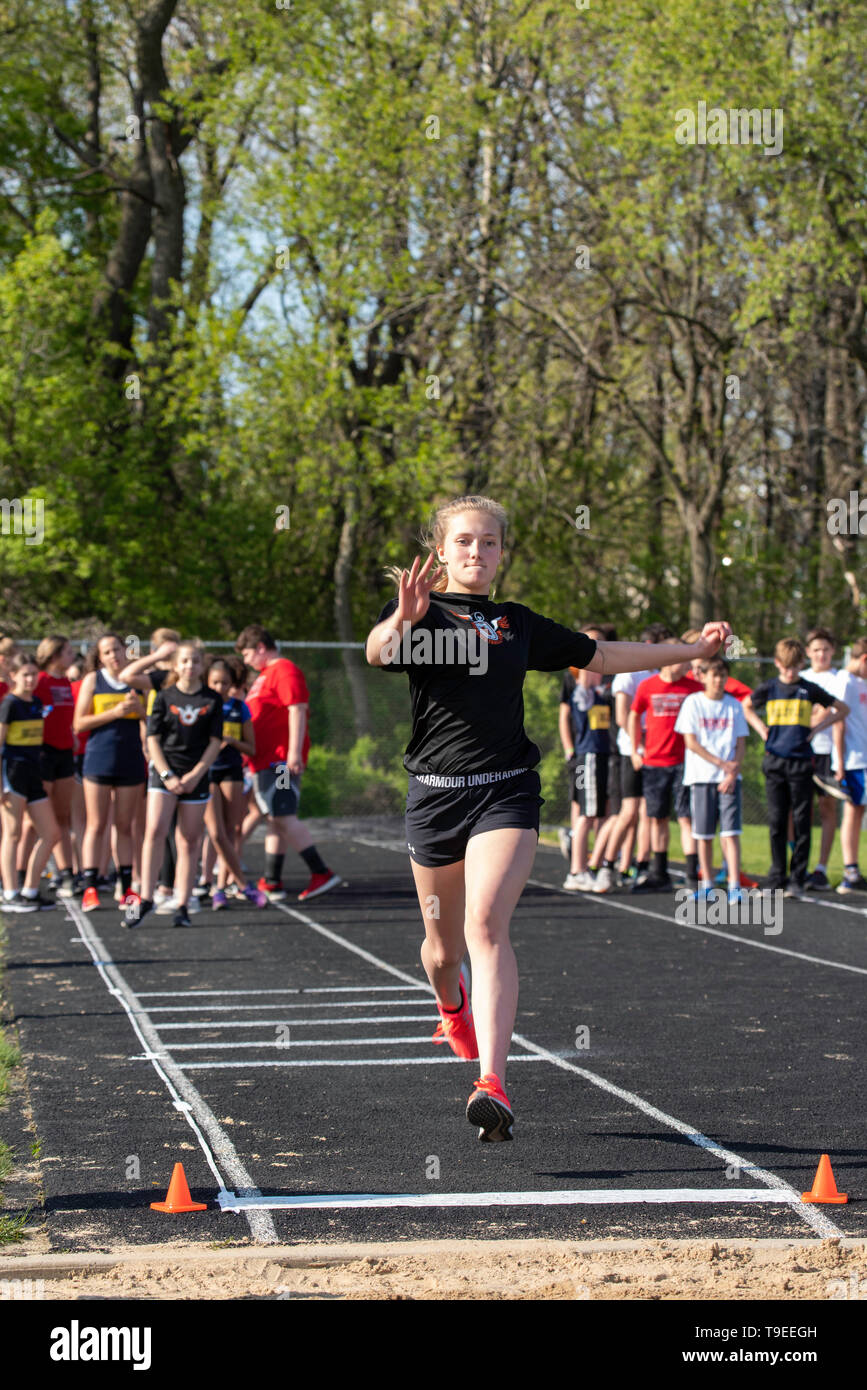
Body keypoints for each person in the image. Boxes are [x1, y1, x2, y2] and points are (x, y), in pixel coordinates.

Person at [366, 494, 731, 1141]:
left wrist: (688, 646)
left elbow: (602, 656)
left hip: (504, 791)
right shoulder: (420, 616)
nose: (476, 552)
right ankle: (450, 1006)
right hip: (433, 798)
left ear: (502, 552)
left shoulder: (516, 624)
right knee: (442, 950)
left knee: (485, 924)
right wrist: (401, 618)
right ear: (442, 549)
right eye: (463, 542)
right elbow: (377, 652)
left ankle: (492, 1082)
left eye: (489, 543)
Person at [234, 625, 340, 903]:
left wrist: (292, 753)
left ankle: (321, 873)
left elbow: (297, 708)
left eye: (247, 653)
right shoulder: (266, 675)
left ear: (259, 647)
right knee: (275, 820)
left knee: (282, 815)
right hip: (266, 762)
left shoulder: (283, 670)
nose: (246, 661)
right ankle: (271, 880)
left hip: (280, 762)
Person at [124, 642, 223, 928]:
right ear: (176, 665)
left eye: (194, 661)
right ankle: (145, 898)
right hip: (165, 772)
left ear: (201, 665)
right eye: (184, 661)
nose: (189, 666)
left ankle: (182, 903)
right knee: (154, 831)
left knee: (189, 840)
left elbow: (216, 742)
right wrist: (167, 774)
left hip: (196, 774)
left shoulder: (213, 699)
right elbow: (153, 738)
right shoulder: (164, 696)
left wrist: (195, 774)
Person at [743, 638, 848, 897]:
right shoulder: (769, 688)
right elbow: (745, 706)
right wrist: (762, 729)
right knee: (778, 821)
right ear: (778, 664)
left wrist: (817, 728)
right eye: (785, 667)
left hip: (801, 763)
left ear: (802, 664)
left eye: (795, 667)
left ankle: (797, 879)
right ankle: (777, 876)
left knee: (802, 821)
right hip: (775, 762)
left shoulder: (810, 689)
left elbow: (842, 709)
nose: (790, 672)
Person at [73, 634, 147, 911]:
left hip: (130, 760)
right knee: (96, 824)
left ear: (125, 651)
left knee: (125, 826)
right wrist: (115, 712)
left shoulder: (137, 680)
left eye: (117, 649)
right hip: (99, 760)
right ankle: (90, 886)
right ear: (100, 657)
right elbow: (79, 723)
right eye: (107, 652)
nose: (113, 655)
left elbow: (153, 722)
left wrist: (140, 711)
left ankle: (126, 887)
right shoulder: (94, 680)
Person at [675, 657, 749, 901]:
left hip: (729, 780)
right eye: (714, 676)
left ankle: (734, 885)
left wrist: (732, 772)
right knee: (704, 835)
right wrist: (720, 764)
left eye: (722, 676)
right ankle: (706, 883)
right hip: (701, 777)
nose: (718, 681)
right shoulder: (693, 703)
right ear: (703, 677)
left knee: (731, 833)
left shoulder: (734, 706)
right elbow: (691, 743)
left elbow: (740, 743)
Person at [627, 643, 698, 891]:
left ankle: (692, 876)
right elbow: (634, 714)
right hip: (655, 762)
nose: (689, 664)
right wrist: (636, 749)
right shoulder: (648, 686)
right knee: (658, 819)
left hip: (685, 764)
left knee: (687, 818)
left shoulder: (694, 688)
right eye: (683, 659)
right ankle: (659, 873)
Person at [199, 656, 266, 910]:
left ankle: (220, 888)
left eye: (224, 683)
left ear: (231, 684)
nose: (219, 687)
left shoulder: (240, 708)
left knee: (231, 832)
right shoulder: (201, 706)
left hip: (231, 772)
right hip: (206, 773)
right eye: (214, 682)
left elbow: (251, 747)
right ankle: (242, 883)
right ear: (207, 682)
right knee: (215, 833)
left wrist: (230, 739)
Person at [0, 652, 60, 912]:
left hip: (34, 775)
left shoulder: (36, 702)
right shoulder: (9, 704)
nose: (30, 679)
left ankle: (30, 889)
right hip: (12, 775)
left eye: (33, 674)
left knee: (51, 833)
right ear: (13, 676)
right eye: (25, 674)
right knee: (12, 834)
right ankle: (10, 892)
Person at [558, 625, 612, 890]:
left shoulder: (604, 674)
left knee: (599, 813)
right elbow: (568, 713)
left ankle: (591, 865)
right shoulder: (581, 673)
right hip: (587, 752)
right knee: (587, 815)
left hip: (602, 751)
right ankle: (577, 869)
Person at [33, 636, 78, 898]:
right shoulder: (41, 681)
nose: (72, 656)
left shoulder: (64, 682)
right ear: (54, 655)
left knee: (62, 817)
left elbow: (64, 716)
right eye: (68, 652)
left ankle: (67, 873)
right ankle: (18, 875)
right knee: (36, 822)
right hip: (43, 754)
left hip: (63, 753)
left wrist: (69, 735)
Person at [802, 626, 845, 892]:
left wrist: (819, 715)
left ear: (833, 652)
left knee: (827, 810)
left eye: (826, 650)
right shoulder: (801, 677)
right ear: (808, 652)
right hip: (802, 752)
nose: (821, 655)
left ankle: (821, 869)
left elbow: (834, 712)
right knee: (799, 812)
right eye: (816, 650)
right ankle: (799, 867)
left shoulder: (838, 678)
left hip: (827, 751)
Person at [829, 636, 867, 895]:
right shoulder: (845, 680)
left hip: (863, 759)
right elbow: (837, 720)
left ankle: (853, 871)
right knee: (852, 813)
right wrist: (839, 762)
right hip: (853, 760)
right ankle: (849, 872)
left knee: (858, 813)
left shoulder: (861, 681)